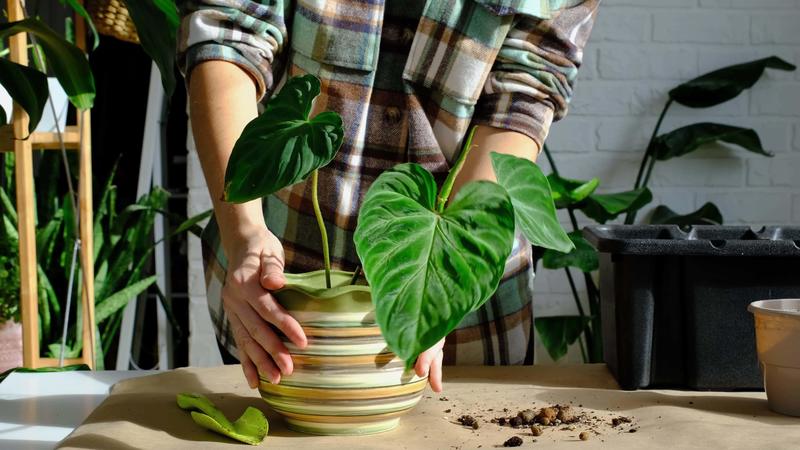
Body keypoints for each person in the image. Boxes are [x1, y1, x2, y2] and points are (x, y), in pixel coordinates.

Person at [179, 0, 599, 393]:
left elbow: (525, 93)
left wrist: (437, 292)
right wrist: (244, 232)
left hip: (460, 323)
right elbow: (228, 35)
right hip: (278, 301)